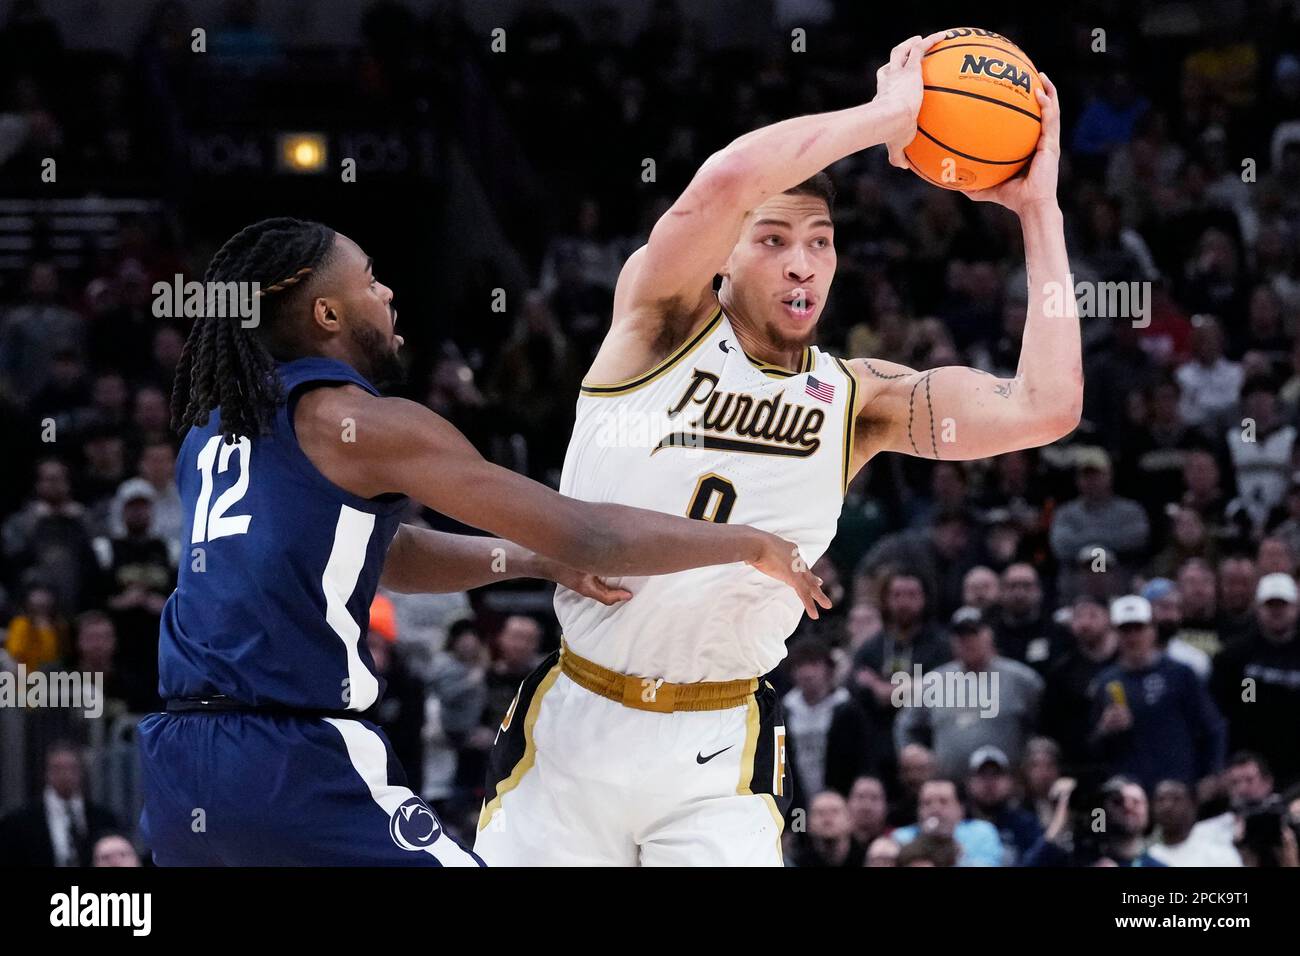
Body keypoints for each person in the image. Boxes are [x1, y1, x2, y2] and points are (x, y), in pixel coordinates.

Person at [475, 34, 1082, 867]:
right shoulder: (659, 323)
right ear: (724, 252)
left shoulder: (858, 400)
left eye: (821, 242)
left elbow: (1044, 410)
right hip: (577, 723)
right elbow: (727, 182)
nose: (803, 265)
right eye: (773, 240)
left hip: (719, 747)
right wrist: (888, 117)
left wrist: (1038, 214)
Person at [138, 217, 825, 867]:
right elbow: (594, 535)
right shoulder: (357, 422)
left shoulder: (221, 427)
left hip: (180, 766)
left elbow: (382, 553)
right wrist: (748, 542)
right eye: (371, 279)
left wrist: (526, 560)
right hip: (286, 758)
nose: (388, 292)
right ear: (327, 315)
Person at [1089, 595, 1226, 793]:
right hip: (1131, 791)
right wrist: (1105, 730)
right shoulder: (1106, 682)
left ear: (1152, 630)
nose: (1132, 636)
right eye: (1125, 630)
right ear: (1116, 634)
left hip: (1178, 786)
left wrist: (1212, 773)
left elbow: (1212, 727)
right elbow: (1093, 747)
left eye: (1139, 628)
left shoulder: (1180, 674)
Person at [894, 607, 1044, 780]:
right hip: (948, 790)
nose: (967, 641)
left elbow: (1043, 723)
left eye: (973, 634)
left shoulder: (1022, 680)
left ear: (989, 635)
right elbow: (905, 725)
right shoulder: (934, 681)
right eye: (960, 637)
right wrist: (911, 751)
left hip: (1006, 788)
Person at [1211, 573, 1300, 786]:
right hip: (1251, 762)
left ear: (1295, 608)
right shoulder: (1236, 655)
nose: (1276, 611)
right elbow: (1235, 706)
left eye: (1282, 605)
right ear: (1258, 608)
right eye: (1270, 605)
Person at [781, 637, 875, 799]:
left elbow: (863, 756)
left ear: (828, 669)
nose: (807, 673)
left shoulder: (848, 709)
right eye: (800, 666)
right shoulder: (784, 711)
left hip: (840, 793)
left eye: (814, 665)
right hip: (796, 795)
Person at [0, 742, 119, 867]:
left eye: (72, 768)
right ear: (46, 772)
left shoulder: (104, 819)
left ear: (81, 772)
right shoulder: (18, 822)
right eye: (58, 768)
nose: (66, 775)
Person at [891, 779, 1003, 867]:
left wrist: (956, 854)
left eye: (943, 802)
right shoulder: (901, 837)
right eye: (927, 803)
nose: (935, 809)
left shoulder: (981, 832)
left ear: (960, 809)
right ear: (918, 810)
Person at [1148, 779, 1241, 866]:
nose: (1167, 806)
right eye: (1160, 800)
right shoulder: (1147, 858)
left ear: (1192, 806)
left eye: (1176, 799)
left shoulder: (1218, 852)